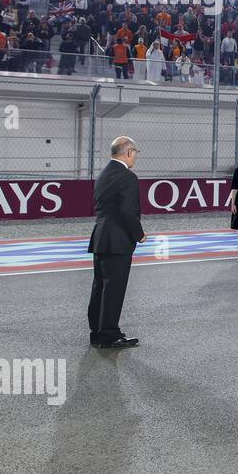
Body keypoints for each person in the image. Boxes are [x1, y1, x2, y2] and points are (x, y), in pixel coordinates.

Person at [86, 136, 146, 349]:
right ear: (129, 152)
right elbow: (127, 211)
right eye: (136, 152)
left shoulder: (103, 174)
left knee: (100, 285)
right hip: (118, 239)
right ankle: (110, 334)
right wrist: (139, 233)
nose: (136, 157)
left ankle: (97, 331)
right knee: (114, 288)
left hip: (101, 236)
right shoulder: (128, 177)